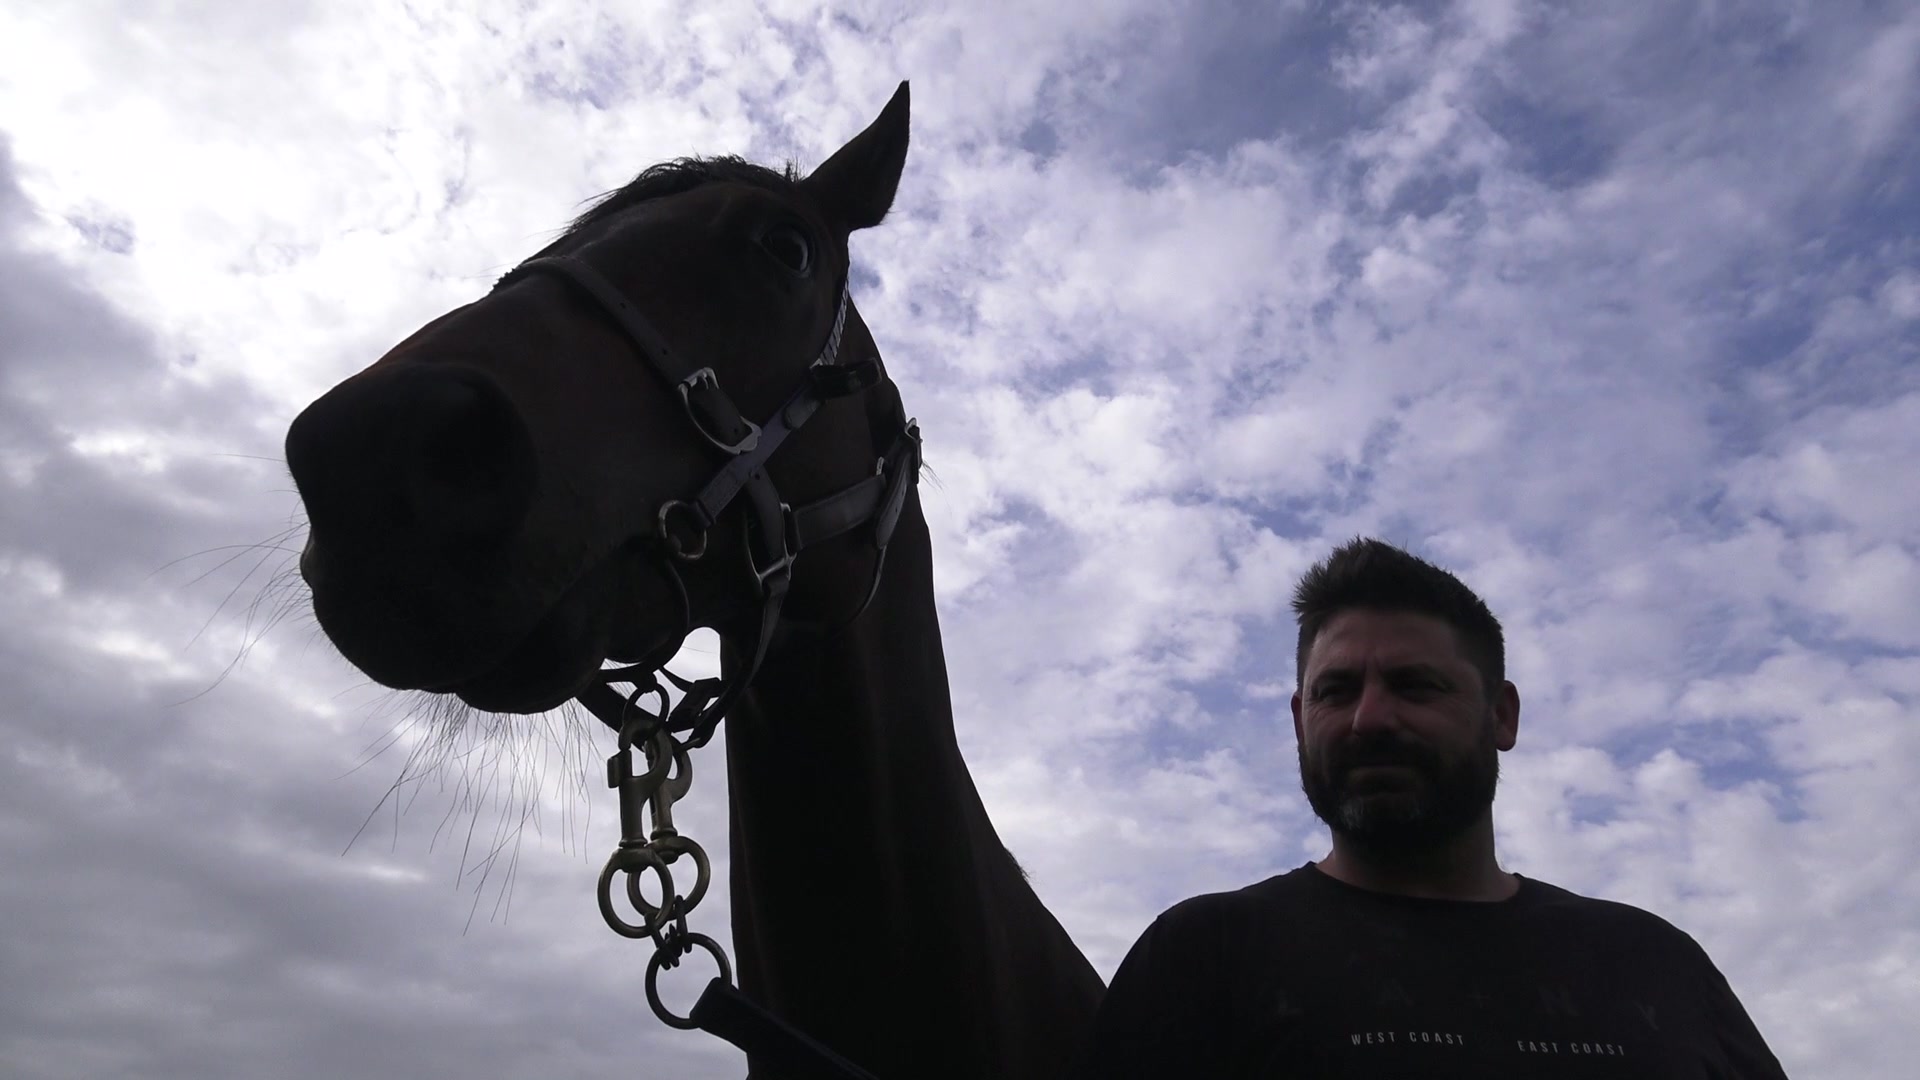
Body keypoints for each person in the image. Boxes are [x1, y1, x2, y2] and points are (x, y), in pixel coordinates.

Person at [1077, 538, 1789, 1078]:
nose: (1369, 720)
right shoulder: (1202, 956)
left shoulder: (1655, 963)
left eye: (1415, 686)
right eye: (1336, 691)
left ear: (1502, 716)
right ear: (1299, 720)